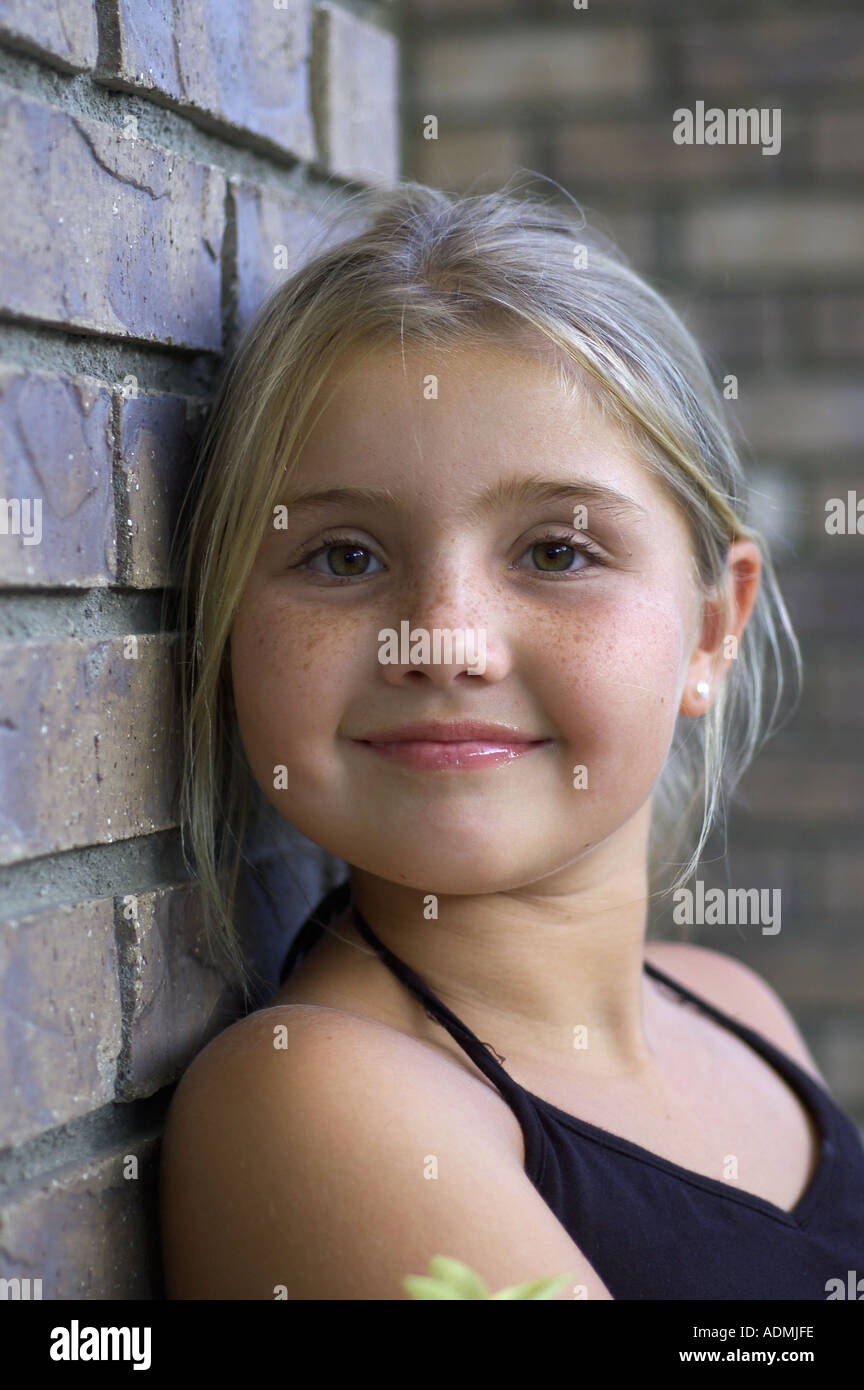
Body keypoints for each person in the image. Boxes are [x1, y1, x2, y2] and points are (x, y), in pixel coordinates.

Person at [159, 177, 864, 1300]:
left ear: (712, 629)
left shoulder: (734, 1005)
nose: (444, 642)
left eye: (556, 552)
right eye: (345, 556)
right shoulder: (315, 1096)